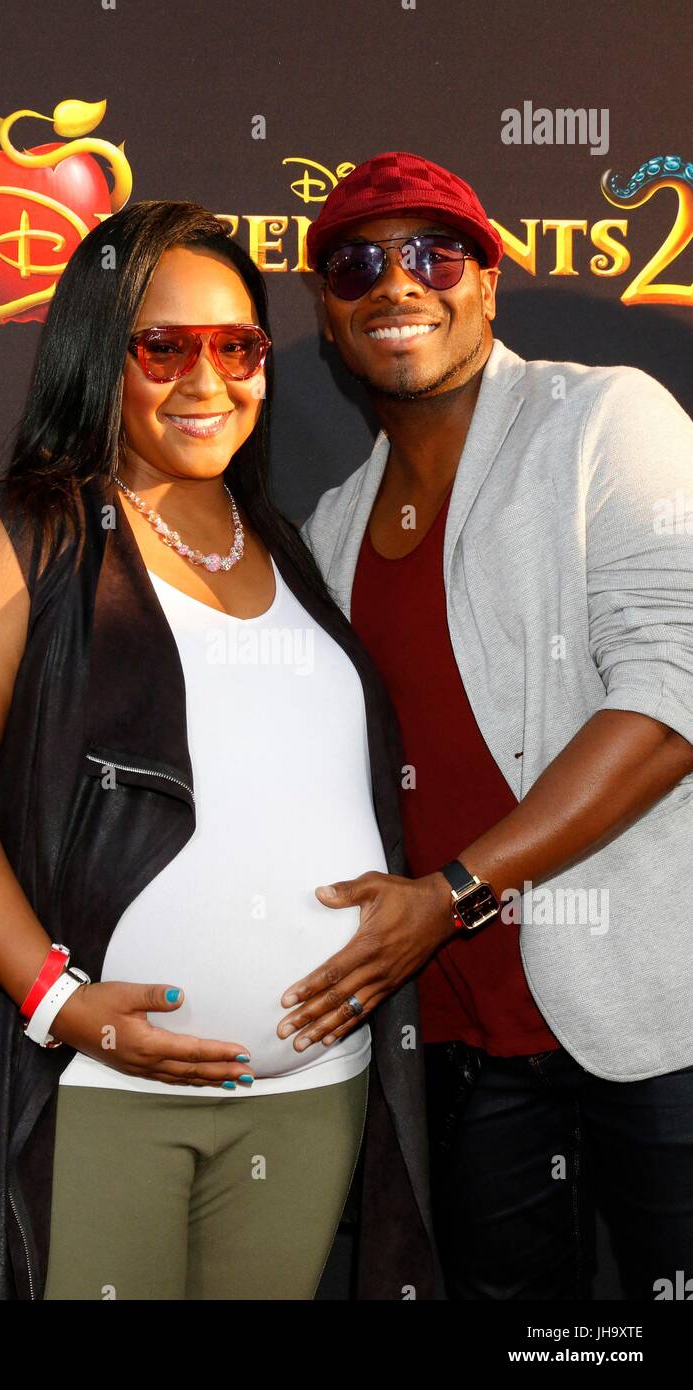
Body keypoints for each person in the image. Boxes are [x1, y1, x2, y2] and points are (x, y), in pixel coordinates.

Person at [0, 199, 440, 1301]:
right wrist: (59, 1000)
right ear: (98, 356)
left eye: (238, 346)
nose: (206, 380)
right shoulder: (26, 534)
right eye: (164, 346)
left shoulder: (289, 546)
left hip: (312, 1094)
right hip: (96, 1088)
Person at [296, 150, 693, 1300]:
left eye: (433, 253)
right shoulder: (328, 527)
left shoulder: (603, 418)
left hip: (653, 1017)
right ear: (325, 317)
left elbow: (671, 691)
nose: (395, 282)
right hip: (463, 1048)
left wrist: (453, 893)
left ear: (485, 282)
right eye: (356, 264)